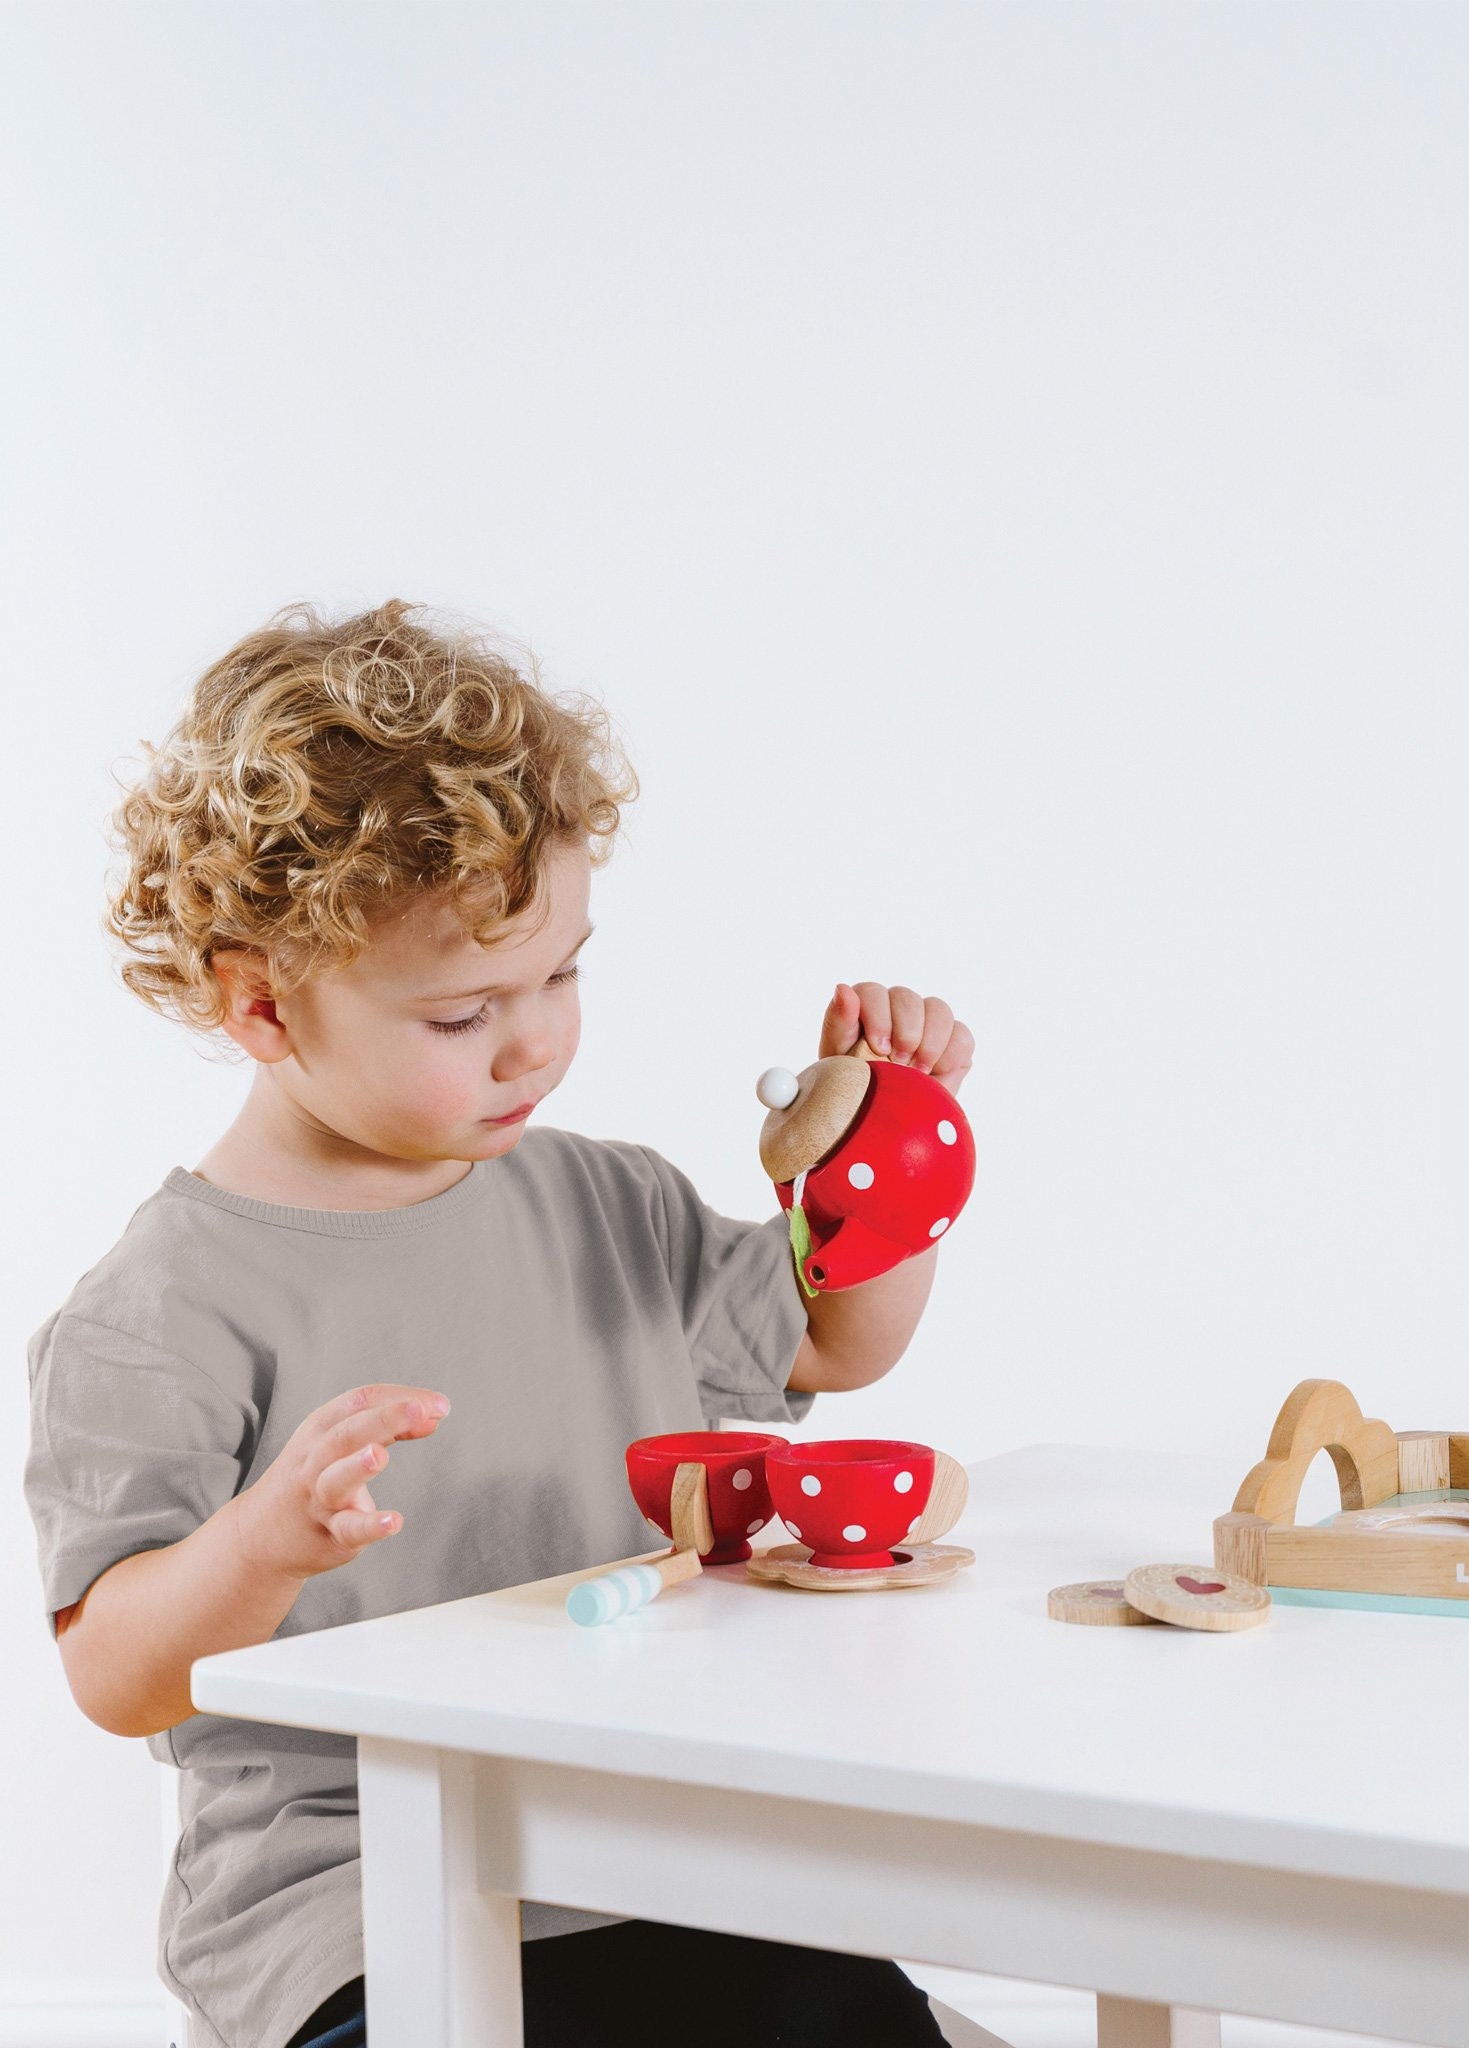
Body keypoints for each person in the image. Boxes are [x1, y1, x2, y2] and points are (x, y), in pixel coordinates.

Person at [22, 599, 970, 2048]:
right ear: (263, 1007)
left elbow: (835, 1345)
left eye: (561, 975)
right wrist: (259, 1548)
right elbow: (115, 1674)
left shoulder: (607, 1202)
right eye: (464, 1015)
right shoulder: (159, 1311)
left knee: (854, 2019)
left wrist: (882, 1169)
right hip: (360, 1893)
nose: (535, 1043)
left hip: (653, 1854)